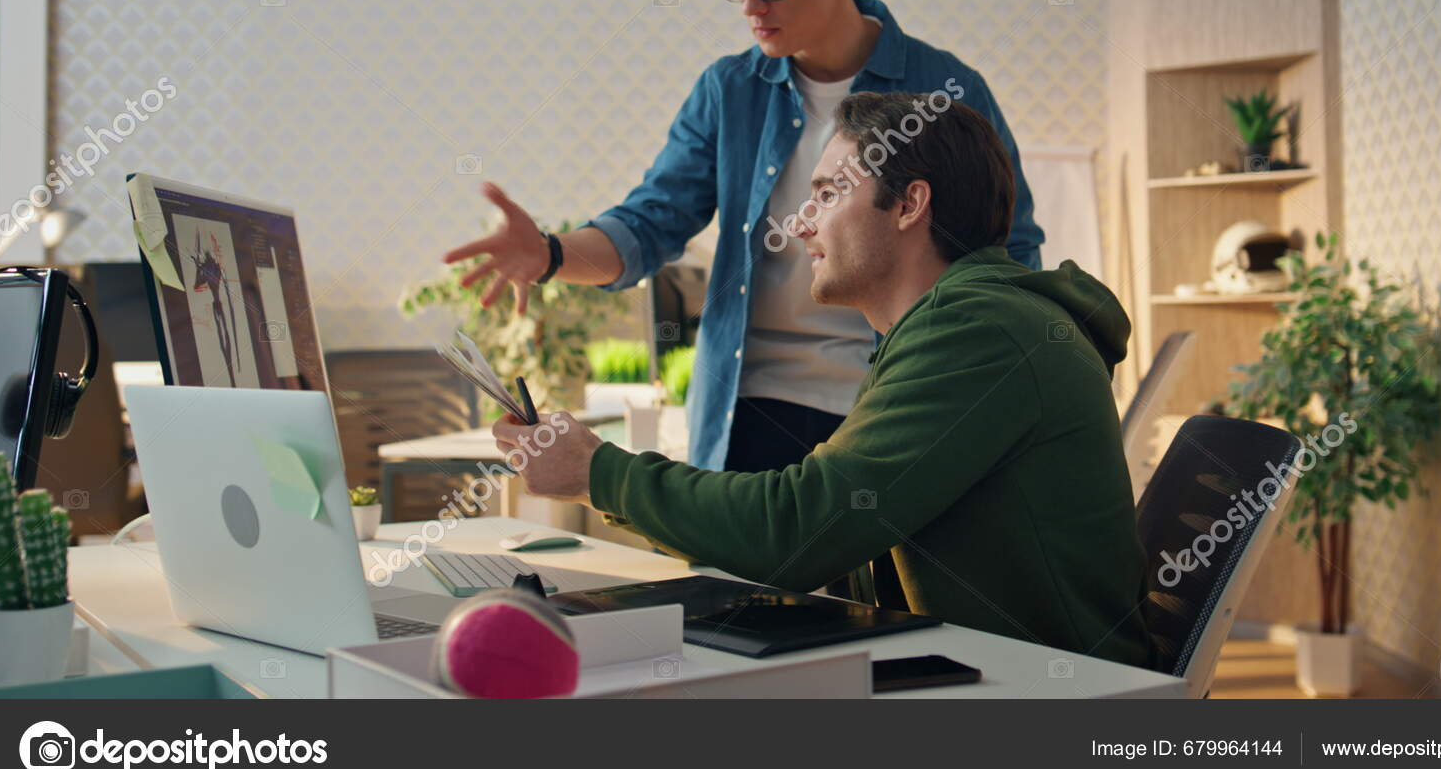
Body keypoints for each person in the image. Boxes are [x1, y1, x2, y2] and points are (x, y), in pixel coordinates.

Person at [491, 92, 1151, 664]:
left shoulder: (979, 333)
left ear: (909, 204)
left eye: (829, 193)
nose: (800, 224)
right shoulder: (950, 325)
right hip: (981, 666)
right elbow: (834, 527)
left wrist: (597, 472)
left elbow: (799, 531)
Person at [444, 0, 1044, 474]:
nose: (751, 6)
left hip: (895, 398)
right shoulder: (729, 90)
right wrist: (549, 253)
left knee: (886, 571)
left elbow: (1007, 252)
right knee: (730, 567)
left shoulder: (947, 89)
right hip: (748, 407)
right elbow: (652, 223)